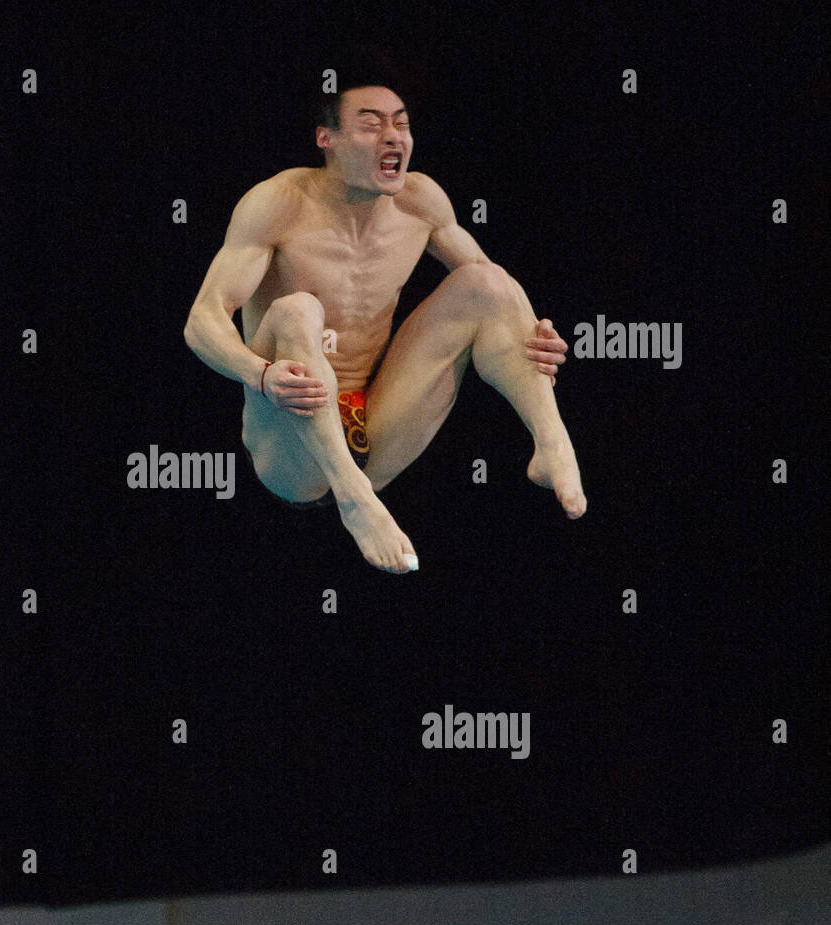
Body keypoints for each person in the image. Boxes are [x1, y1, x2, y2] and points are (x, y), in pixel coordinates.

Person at [183, 75, 586, 574]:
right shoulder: (277, 203)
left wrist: (537, 337)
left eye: (402, 124)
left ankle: (552, 444)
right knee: (297, 310)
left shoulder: (422, 202)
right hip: (290, 449)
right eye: (371, 125)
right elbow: (201, 320)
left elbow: (500, 301)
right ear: (325, 139)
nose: (394, 136)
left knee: (489, 282)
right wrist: (259, 375)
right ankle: (354, 501)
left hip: (379, 426)